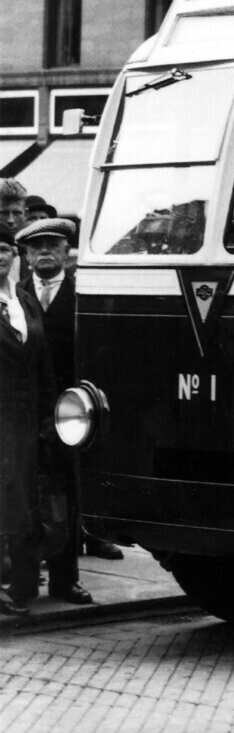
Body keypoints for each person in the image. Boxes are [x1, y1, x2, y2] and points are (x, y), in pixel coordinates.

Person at [16, 217, 120, 568]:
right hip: (28, 408)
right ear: (26, 255)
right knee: (28, 487)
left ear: (66, 251)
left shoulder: (82, 293)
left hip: (74, 410)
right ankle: (29, 568)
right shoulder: (15, 295)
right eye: (35, 247)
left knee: (70, 487)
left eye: (52, 246)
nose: (44, 252)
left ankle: (66, 575)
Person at [0, 224, 59, 614]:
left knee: (22, 501)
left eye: (5, 248)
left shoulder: (24, 300)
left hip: (24, 423)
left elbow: (43, 365)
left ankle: (21, 586)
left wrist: (48, 418)